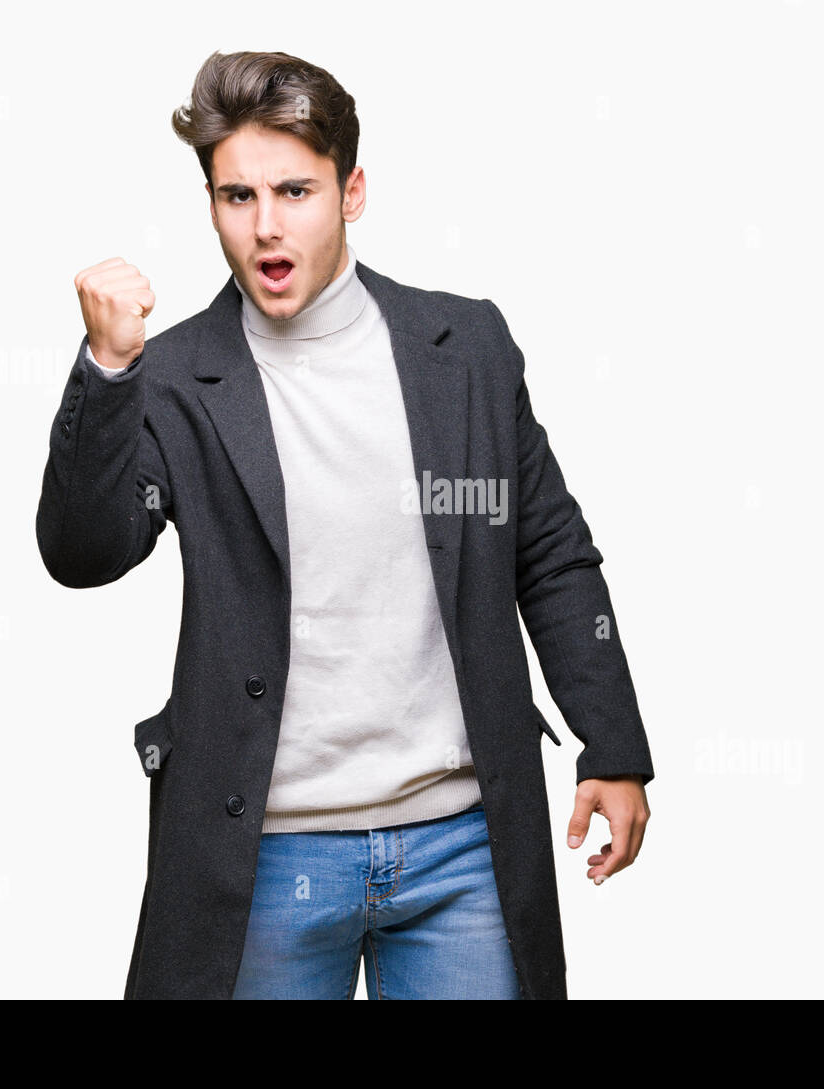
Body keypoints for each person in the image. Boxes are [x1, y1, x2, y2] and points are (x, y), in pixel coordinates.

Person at [37, 49, 654, 1000]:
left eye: (295, 190)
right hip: (267, 856)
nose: (267, 227)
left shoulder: (465, 350)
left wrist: (611, 740)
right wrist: (109, 371)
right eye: (236, 197)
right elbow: (83, 553)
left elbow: (548, 554)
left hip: (463, 852)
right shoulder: (176, 377)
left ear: (351, 191)